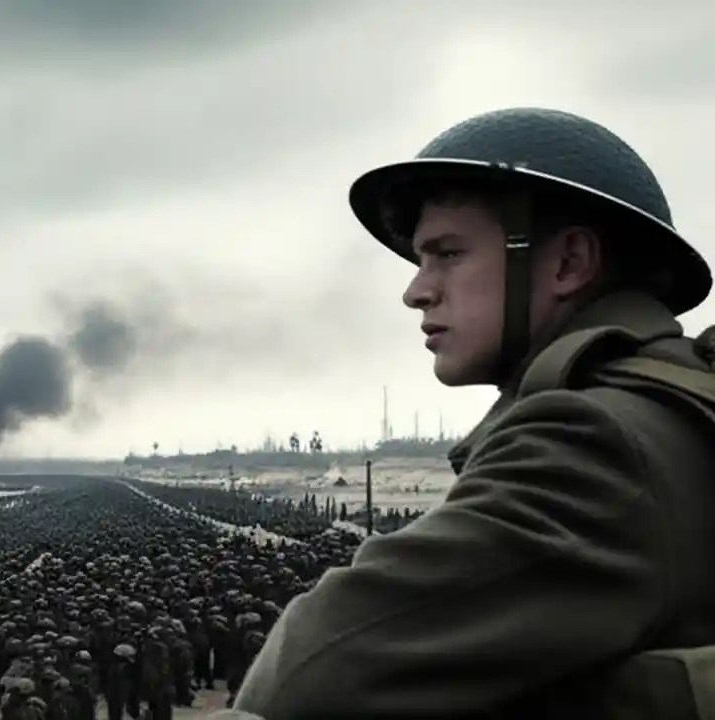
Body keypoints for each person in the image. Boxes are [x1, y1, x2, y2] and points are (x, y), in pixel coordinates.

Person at [230, 107, 715, 717]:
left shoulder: (591, 441)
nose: (417, 290)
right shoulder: (678, 400)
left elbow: (318, 665)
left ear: (568, 264)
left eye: (449, 254)